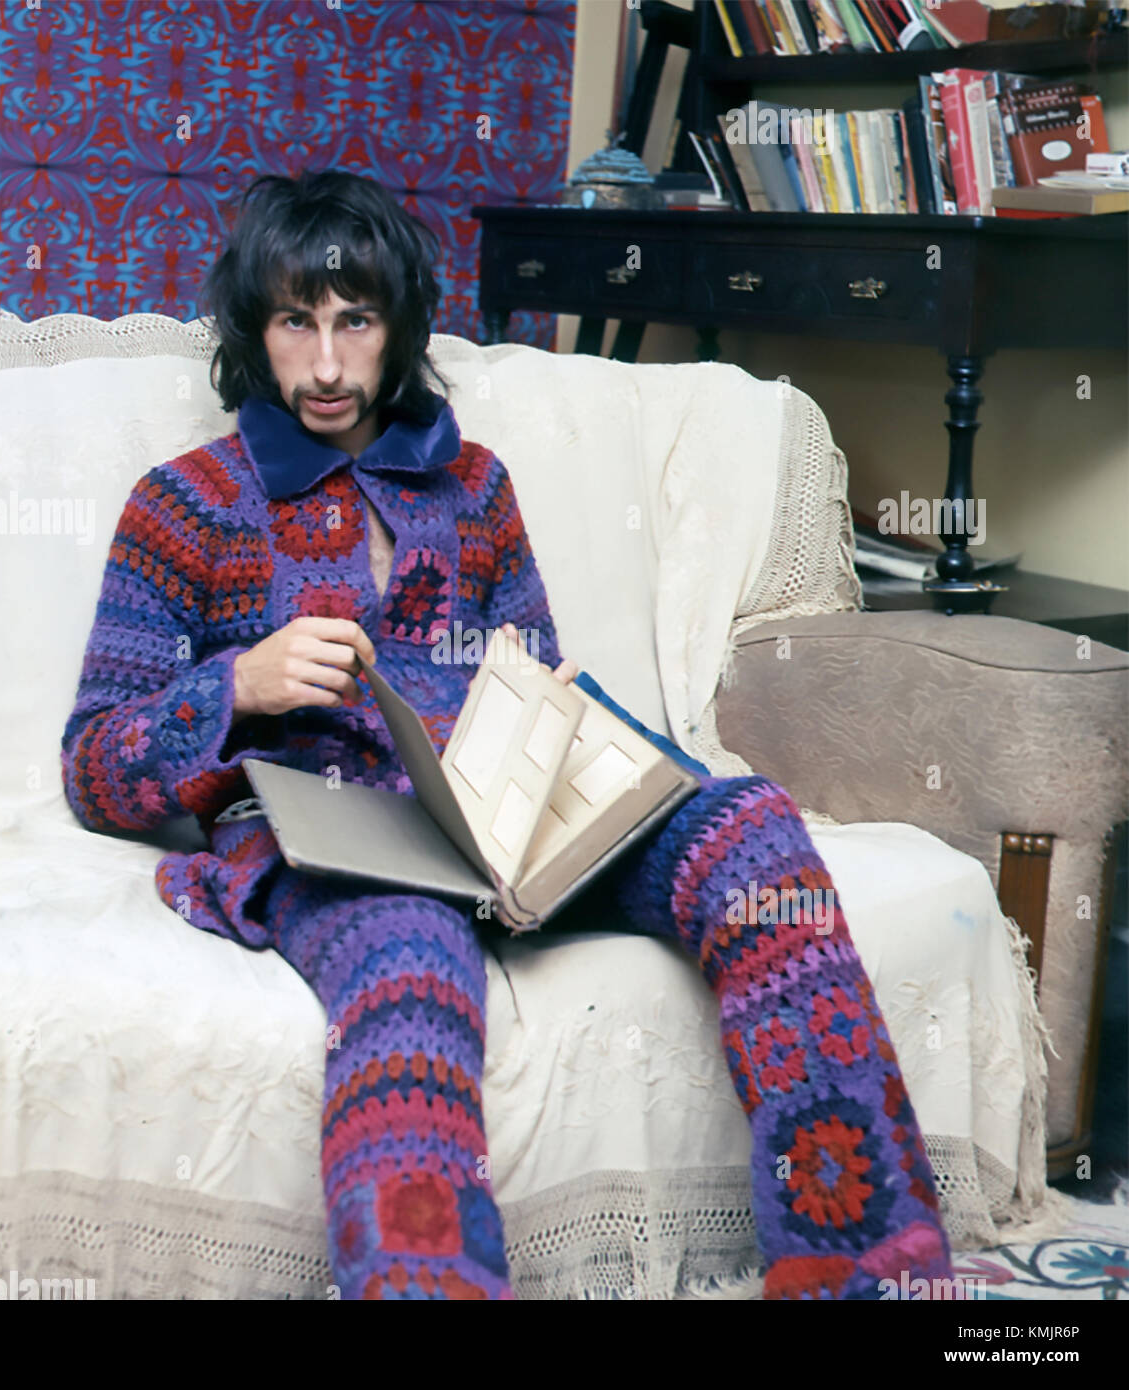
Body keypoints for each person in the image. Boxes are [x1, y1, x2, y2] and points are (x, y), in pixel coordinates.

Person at [61, 168, 957, 1301]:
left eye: (356, 322)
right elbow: (93, 760)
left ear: (399, 328)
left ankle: (869, 1271)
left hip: (505, 822)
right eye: (297, 323)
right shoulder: (183, 501)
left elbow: (536, 671)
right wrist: (234, 685)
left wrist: (567, 710)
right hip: (337, 845)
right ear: (257, 328)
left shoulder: (475, 486)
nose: (328, 365)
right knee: (412, 962)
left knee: (752, 832)